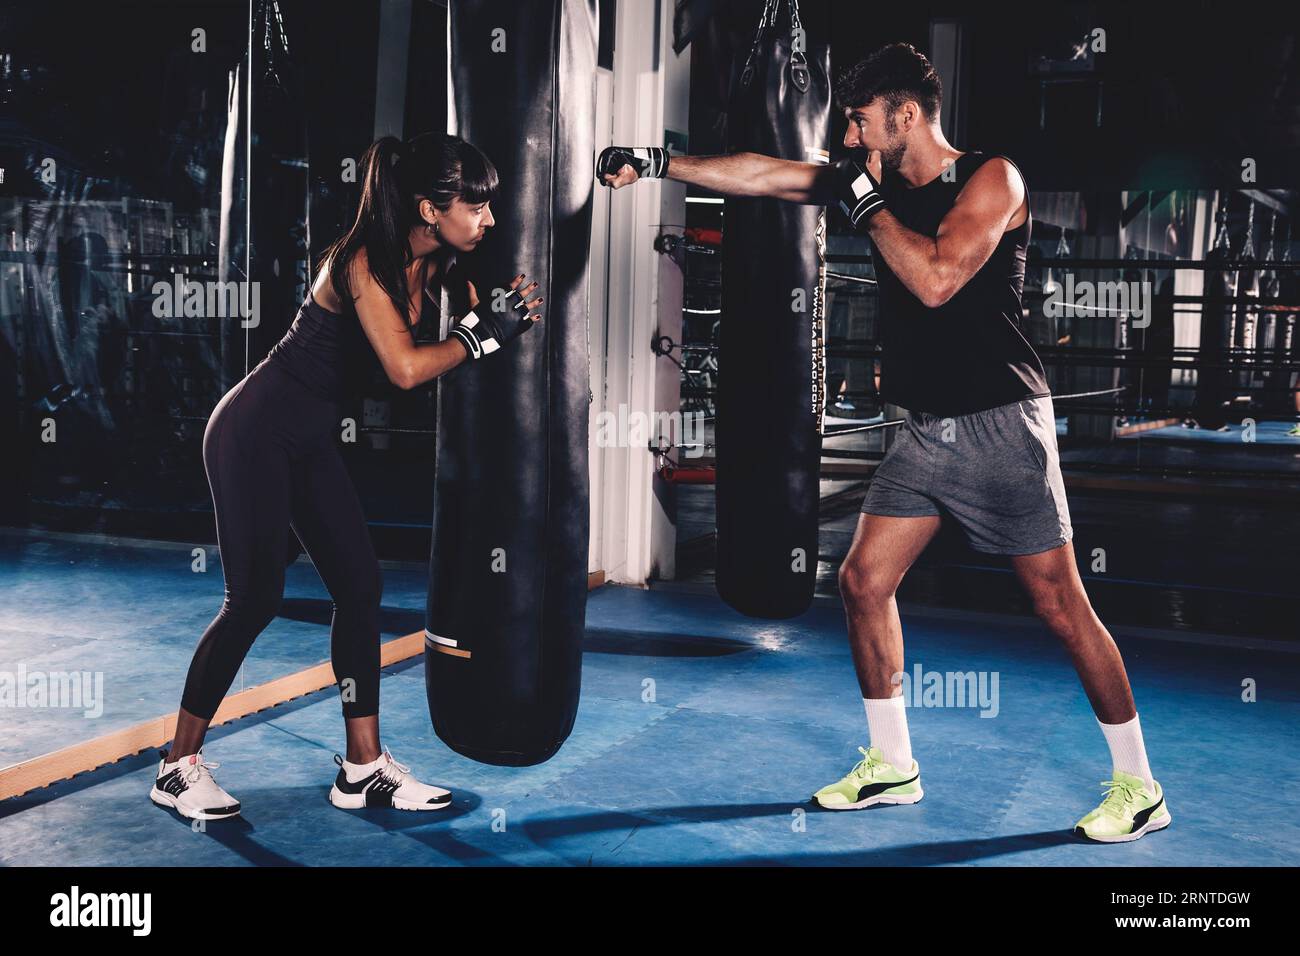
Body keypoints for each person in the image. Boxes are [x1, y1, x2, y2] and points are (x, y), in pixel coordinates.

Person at [600, 43, 1169, 843]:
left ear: (906, 114)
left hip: (1000, 423)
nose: (855, 138)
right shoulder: (872, 183)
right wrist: (659, 162)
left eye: (864, 122)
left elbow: (937, 279)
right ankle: (893, 765)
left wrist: (864, 203)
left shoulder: (991, 179)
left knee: (1061, 604)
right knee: (864, 582)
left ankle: (1140, 786)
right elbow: (767, 174)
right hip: (923, 432)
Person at [152, 133, 544, 821]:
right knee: (254, 598)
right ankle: (176, 766)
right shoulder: (363, 262)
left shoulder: (444, 262)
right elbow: (404, 369)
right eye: (476, 207)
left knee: (360, 587)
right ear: (429, 208)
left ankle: (363, 768)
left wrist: (495, 318)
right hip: (254, 432)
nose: (488, 220)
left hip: (306, 440)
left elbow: (472, 331)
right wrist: (480, 337)